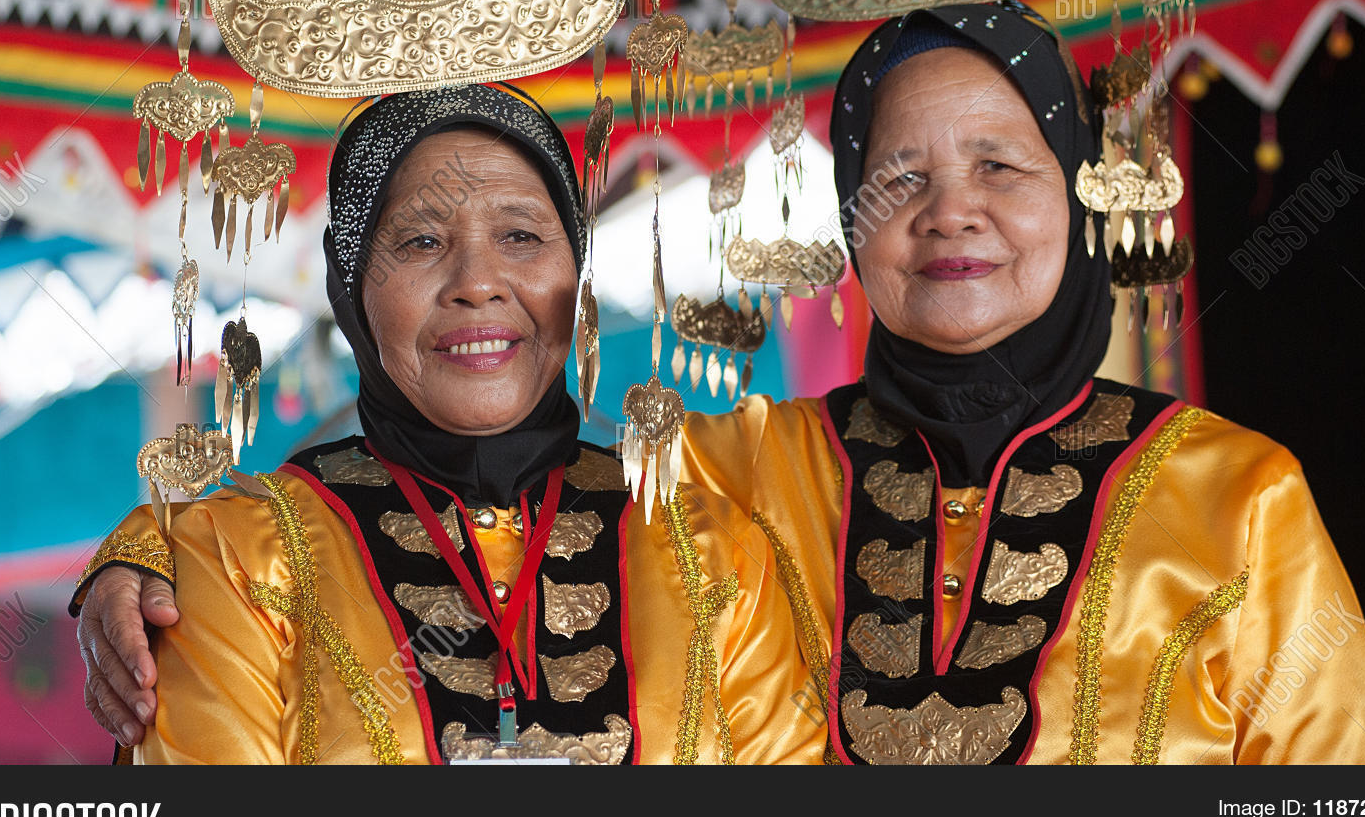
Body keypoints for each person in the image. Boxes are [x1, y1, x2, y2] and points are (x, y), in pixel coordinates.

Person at [80, 2, 1365, 764]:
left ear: (1073, 192)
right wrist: (145, 558)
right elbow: (477, 449)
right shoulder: (729, 479)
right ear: (847, 219)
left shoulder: (1246, 503)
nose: (953, 216)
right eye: (901, 176)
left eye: (1003, 164)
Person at [71, 82, 819, 764]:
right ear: (352, 281)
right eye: (422, 241)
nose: (479, 283)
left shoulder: (715, 552)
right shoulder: (232, 560)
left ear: (576, 266)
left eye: (522, 236)